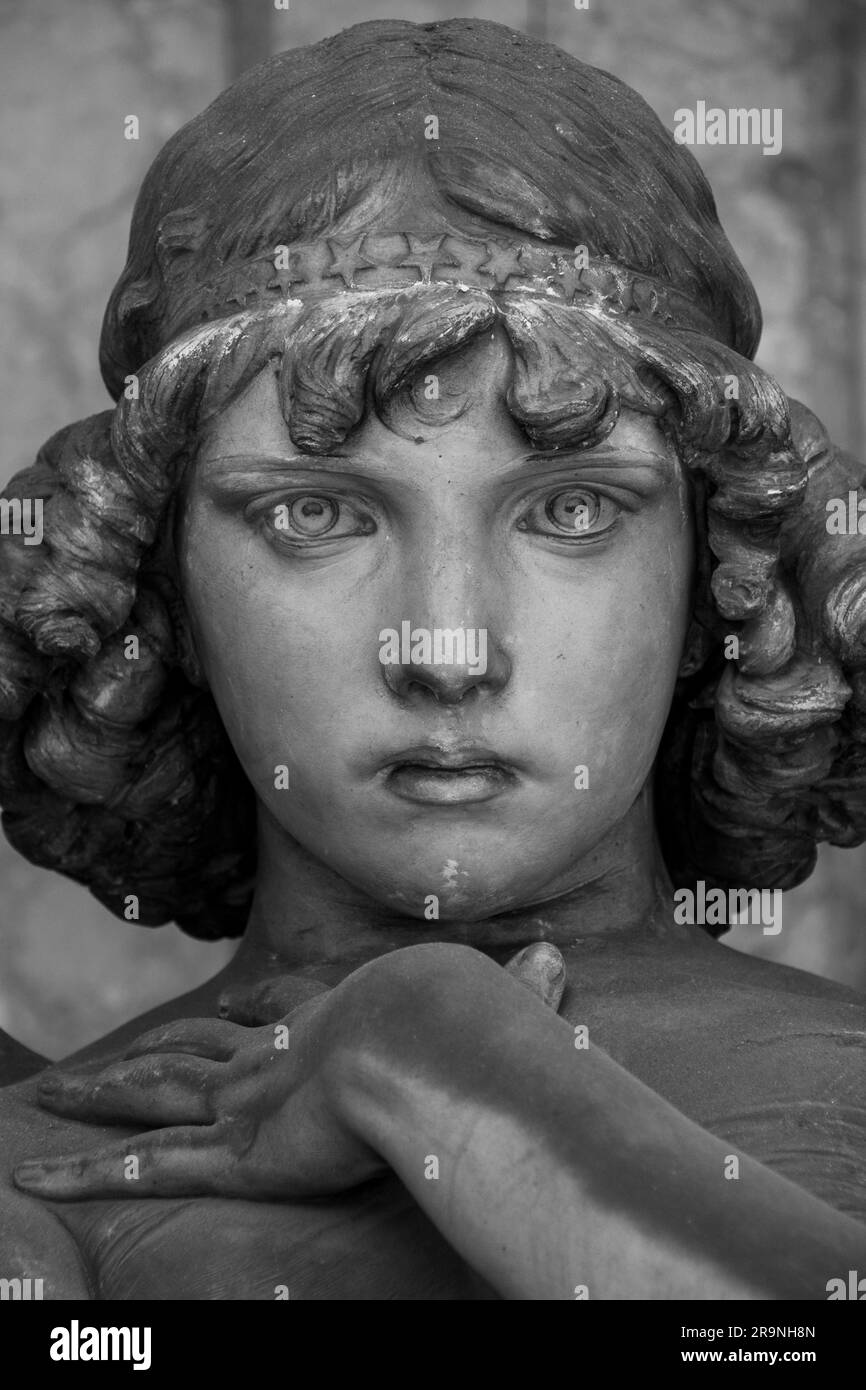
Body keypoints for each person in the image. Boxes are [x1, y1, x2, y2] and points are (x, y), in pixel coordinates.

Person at [1, 17, 864, 1301]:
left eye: (571, 509)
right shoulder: (51, 1177)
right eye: (315, 513)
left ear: (715, 577)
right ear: (161, 591)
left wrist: (439, 1065)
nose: (445, 646)